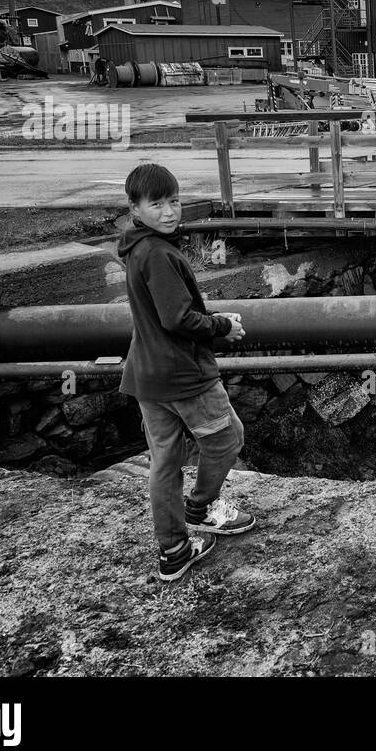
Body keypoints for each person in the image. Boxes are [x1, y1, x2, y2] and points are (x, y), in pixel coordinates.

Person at [117, 164, 256, 582]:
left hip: (147, 373)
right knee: (229, 439)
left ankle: (174, 549)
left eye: (174, 201)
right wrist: (222, 327)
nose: (168, 212)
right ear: (136, 209)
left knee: (164, 462)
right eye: (156, 204)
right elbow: (177, 319)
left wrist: (211, 317)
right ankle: (202, 507)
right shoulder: (159, 253)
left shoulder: (138, 248)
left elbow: (168, 313)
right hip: (183, 375)